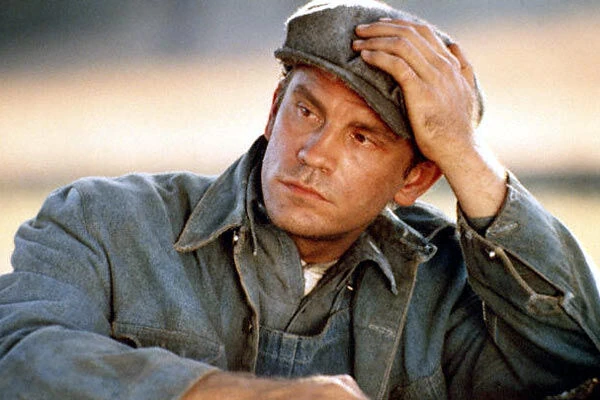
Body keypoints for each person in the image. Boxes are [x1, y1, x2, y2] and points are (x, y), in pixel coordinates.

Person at [1, 1, 599, 399]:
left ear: (415, 180)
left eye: (362, 137)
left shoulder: (446, 289)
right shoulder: (105, 221)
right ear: (273, 111)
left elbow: (572, 356)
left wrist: (464, 153)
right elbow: (18, 355)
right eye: (307, 111)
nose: (314, 153)